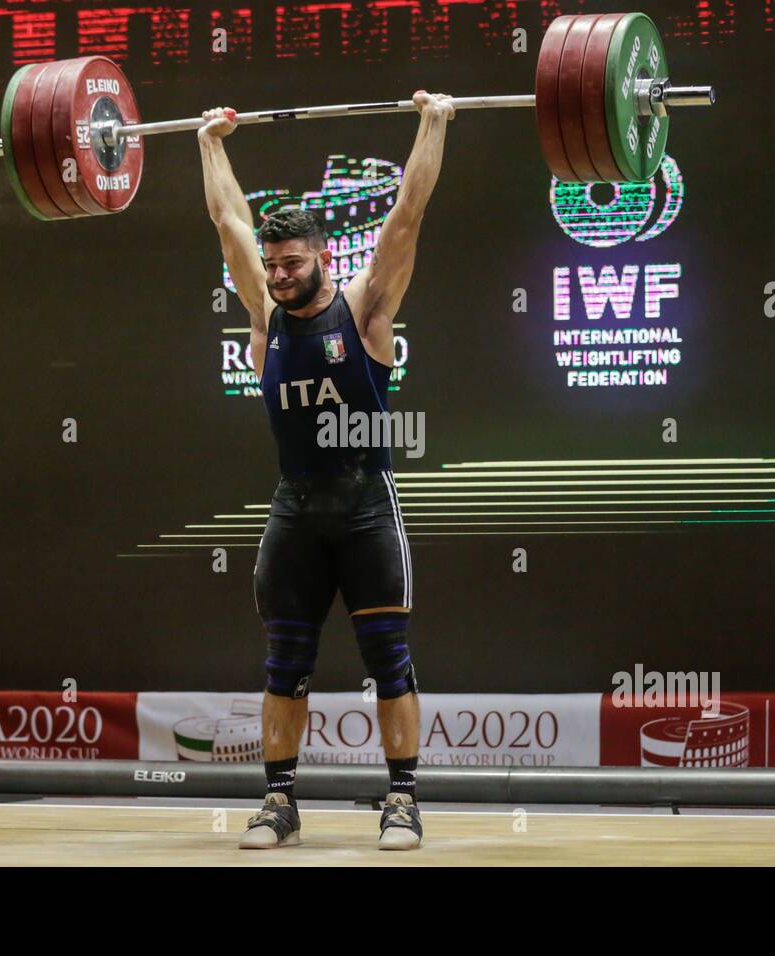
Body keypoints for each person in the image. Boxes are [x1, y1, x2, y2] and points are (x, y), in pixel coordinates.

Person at [198, 91, 455, 850]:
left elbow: (407, 212)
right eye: (272, 265)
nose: (277, 274)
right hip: (296, 511)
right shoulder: (263, 319)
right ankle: (279, 804)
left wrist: (432, 122)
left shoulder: (367, 310)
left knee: (391, 663)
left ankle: (402, 801)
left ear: (324, 259)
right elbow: (227, 222)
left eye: (291, 263)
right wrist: (211, 143)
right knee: (285, 666)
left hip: (367, 506)